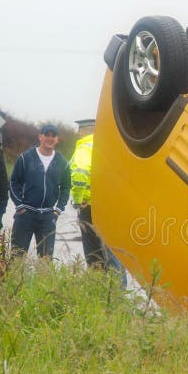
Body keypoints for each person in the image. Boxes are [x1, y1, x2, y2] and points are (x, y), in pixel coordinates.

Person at [68, 120, 127, 286]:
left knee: (93, 254)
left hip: (90, 207)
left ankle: (98, 290)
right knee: (112, 251)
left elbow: (80, 172)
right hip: (111, 206)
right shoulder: (108, 147)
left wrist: (79, 199)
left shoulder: (84, 147)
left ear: (83, 132)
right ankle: (118, 293)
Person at [9, 124, 71, 258]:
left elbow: (66, 188)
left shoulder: (62, 163)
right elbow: (14, 182)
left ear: (57, 139)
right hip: (25, 214)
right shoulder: (26, 158)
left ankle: (42, 279)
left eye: (52, 136)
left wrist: (58, 209)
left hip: (48, 217)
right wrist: (19, 205)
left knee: (45, 261)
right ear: (40, 137)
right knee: (16, 258)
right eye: (46, 135)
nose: (49, 138)